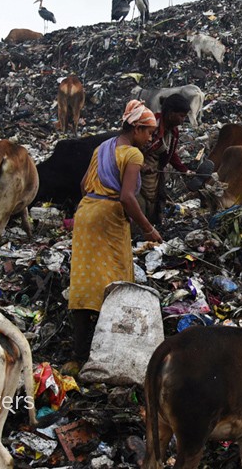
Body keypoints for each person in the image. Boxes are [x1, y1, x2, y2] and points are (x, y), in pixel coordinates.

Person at [68, 100, 163, 371]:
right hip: (109, 221)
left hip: (85, 215)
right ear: (135, 129)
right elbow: (126, 197)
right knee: (115, 283)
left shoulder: (103, 147)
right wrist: (148, 228)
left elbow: (84, 184)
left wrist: (133, 172)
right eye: (147, 132)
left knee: (85, 283)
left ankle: (77, 355)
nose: (150, 138)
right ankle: (108, 352)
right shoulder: (134, 155)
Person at [140, 93, 192, 225]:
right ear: (170, 113)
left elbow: (171, 153)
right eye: (181, 115)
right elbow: (134, 148)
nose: (182, 120)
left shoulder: (173, 131)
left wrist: (183, 170)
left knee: (155, 202)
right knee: (139, 202)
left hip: (155, 172)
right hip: (138, 172)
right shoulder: (152, 125)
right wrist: (141, 165)